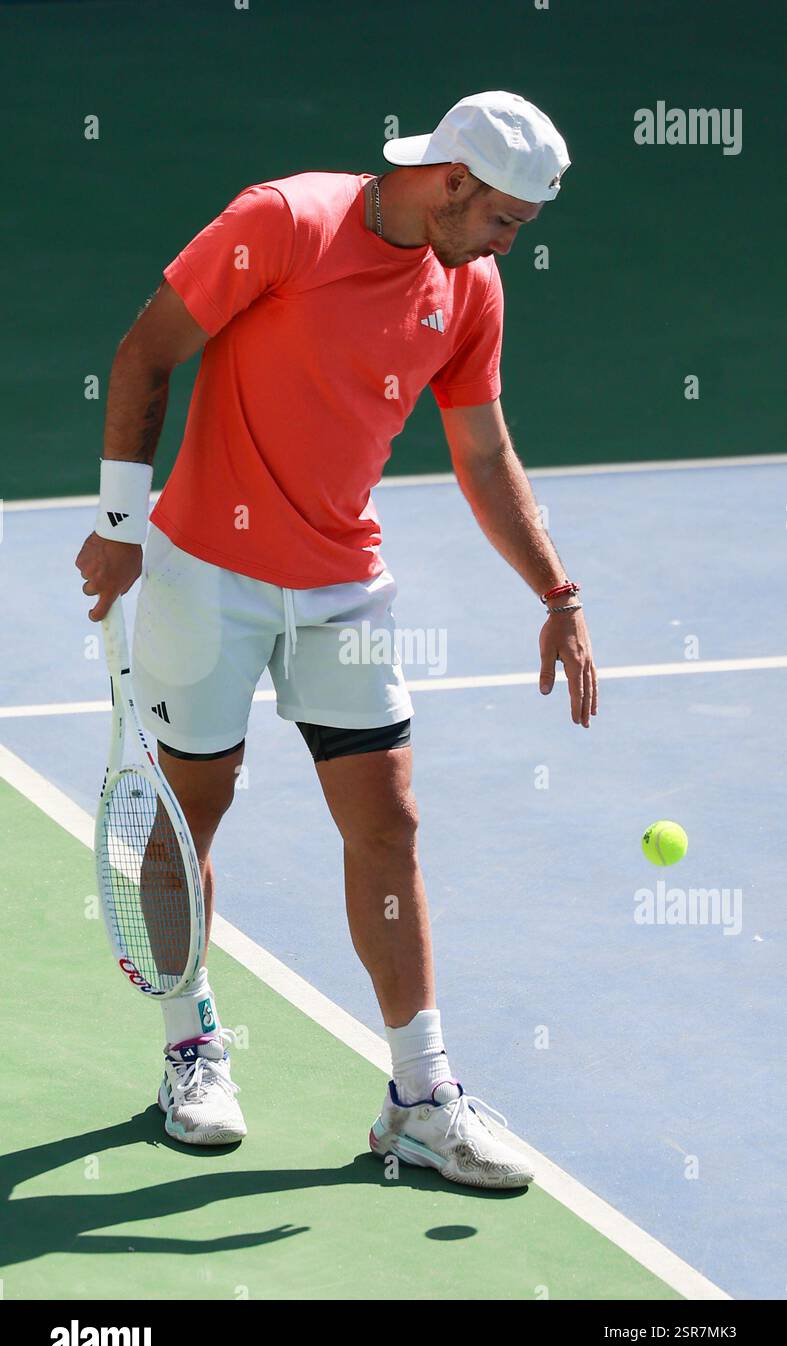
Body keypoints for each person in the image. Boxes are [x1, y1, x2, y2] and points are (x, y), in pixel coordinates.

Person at [75, 91, 598, 1189]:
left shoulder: (469, 287)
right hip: (205, 576)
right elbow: (144, 351)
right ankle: (191, 1049)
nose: (508, 243)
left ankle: (419, 1095)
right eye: (504, 218)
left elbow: (482, 449)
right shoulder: (284, 221)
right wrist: (121, 528)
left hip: (342, 585)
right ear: (451, 181)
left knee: (389, 820)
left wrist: (557, 592)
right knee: (191, 808)